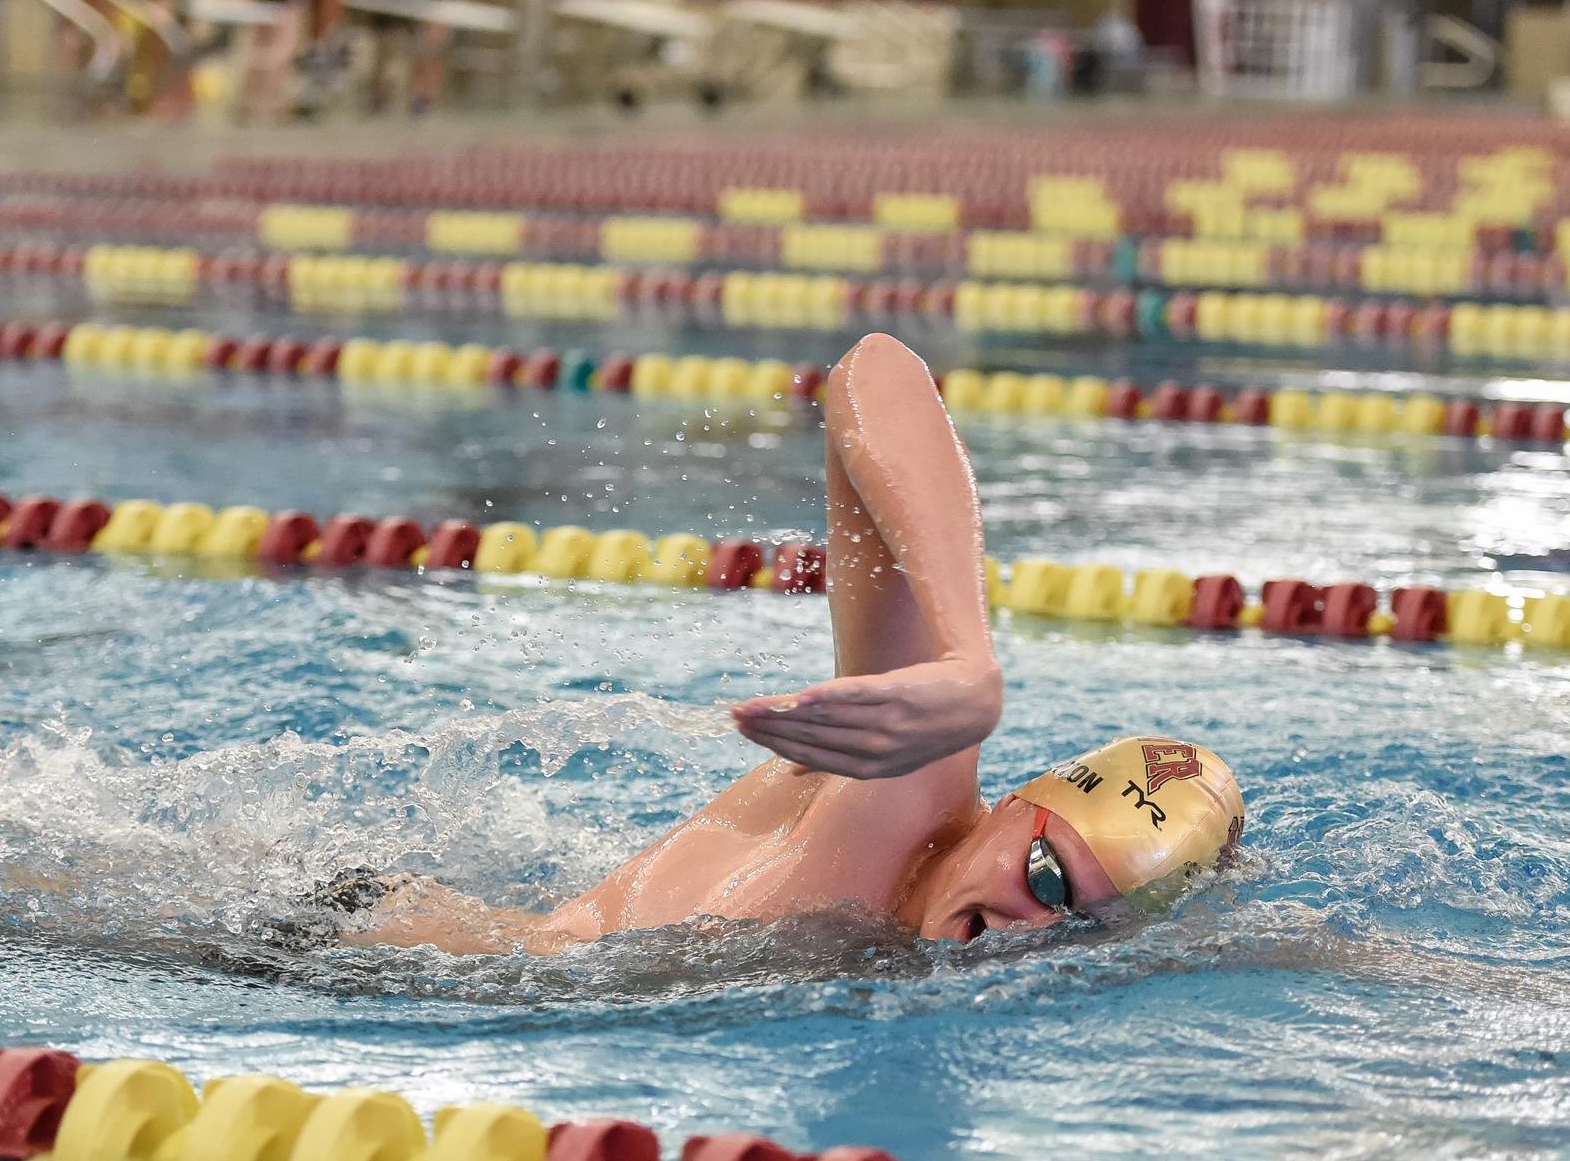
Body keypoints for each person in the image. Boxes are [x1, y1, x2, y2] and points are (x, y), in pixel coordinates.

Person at [326, 333, 1243, 955]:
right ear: (1009, 809)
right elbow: (875, 370)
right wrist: (970, 665)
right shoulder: (905, 794)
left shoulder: (914, 938)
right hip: (324, 942)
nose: (1033, 928)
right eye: (1047, 877)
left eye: (1083, 928)